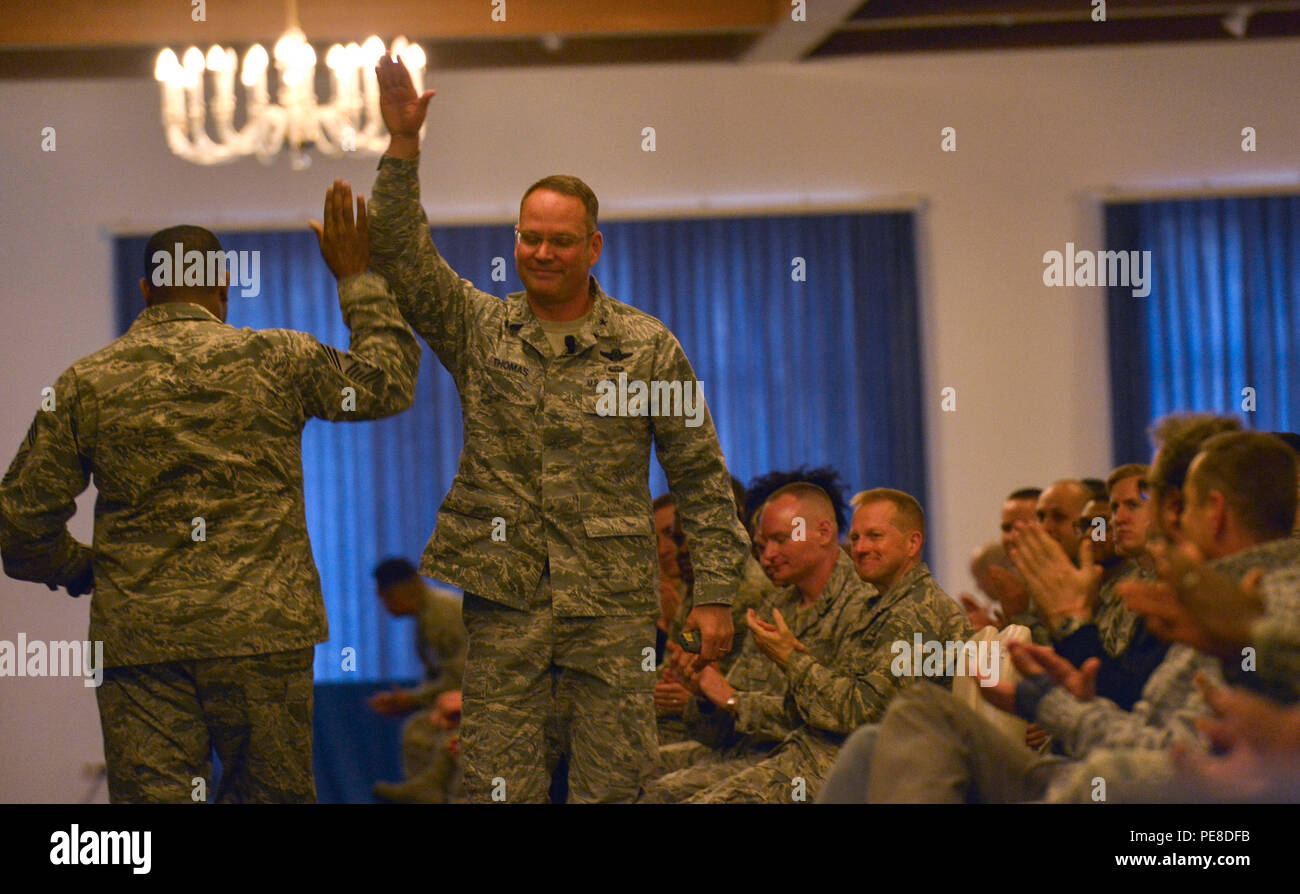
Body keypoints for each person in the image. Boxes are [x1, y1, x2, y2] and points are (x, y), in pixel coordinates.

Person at [365, 56, 749, 803]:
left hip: (610, 611)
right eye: (530, 237)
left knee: (613, 789)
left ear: (592, 247)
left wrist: (715, 594)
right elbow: (404, 261)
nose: (542, 253)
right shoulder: (481, 329)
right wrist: (403, 145)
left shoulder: (646, 347)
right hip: (506, 607)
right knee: (494, 790)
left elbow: (699, 473)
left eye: (561, 240)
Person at [0, 184, 420, 802]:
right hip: (264, 638)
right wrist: (357, 278)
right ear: (223, 288)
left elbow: (17, 525)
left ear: (145, 291)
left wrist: (87, 568)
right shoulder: (279, 359)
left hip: (142, 641)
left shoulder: (87, 383)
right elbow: (385, 383)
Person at [368, 557, 467, 803]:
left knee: (421, 730)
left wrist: (412, 700)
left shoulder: (442, 615)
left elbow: (459, 677)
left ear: (405, 589)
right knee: (420, 727)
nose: (386, 607)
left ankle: (428, 793)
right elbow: (442, 676)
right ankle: (426, 790)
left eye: (386, 598)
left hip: (479, 698)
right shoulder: (428, 613)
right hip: (460, 697)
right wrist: (410, 700)